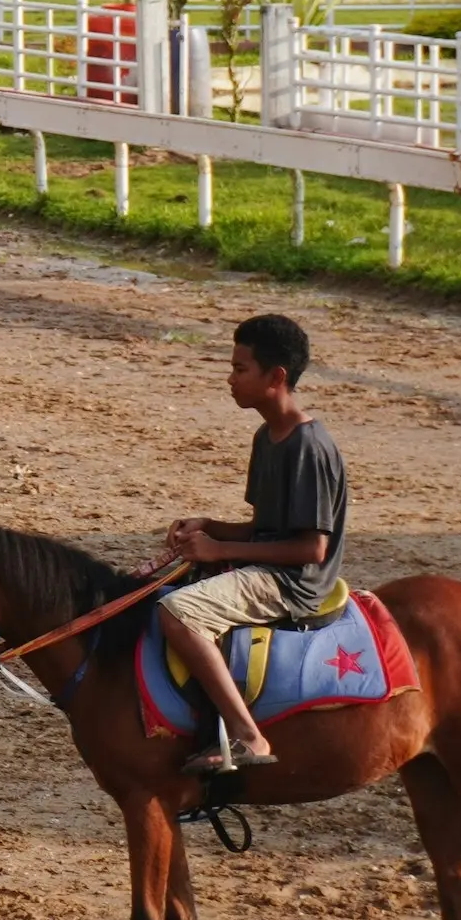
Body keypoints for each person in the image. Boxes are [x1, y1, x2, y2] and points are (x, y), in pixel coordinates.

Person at [163, 313, 349, 775]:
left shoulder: (308, 447)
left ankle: (249, 737)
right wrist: (209, 527)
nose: (230, 379)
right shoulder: (267, 436)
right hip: (270, 565)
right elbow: (265, 529)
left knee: (179, 613)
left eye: (240, 369)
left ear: (276, 377)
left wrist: (219, 551)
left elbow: (311, 550)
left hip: (294, 583)